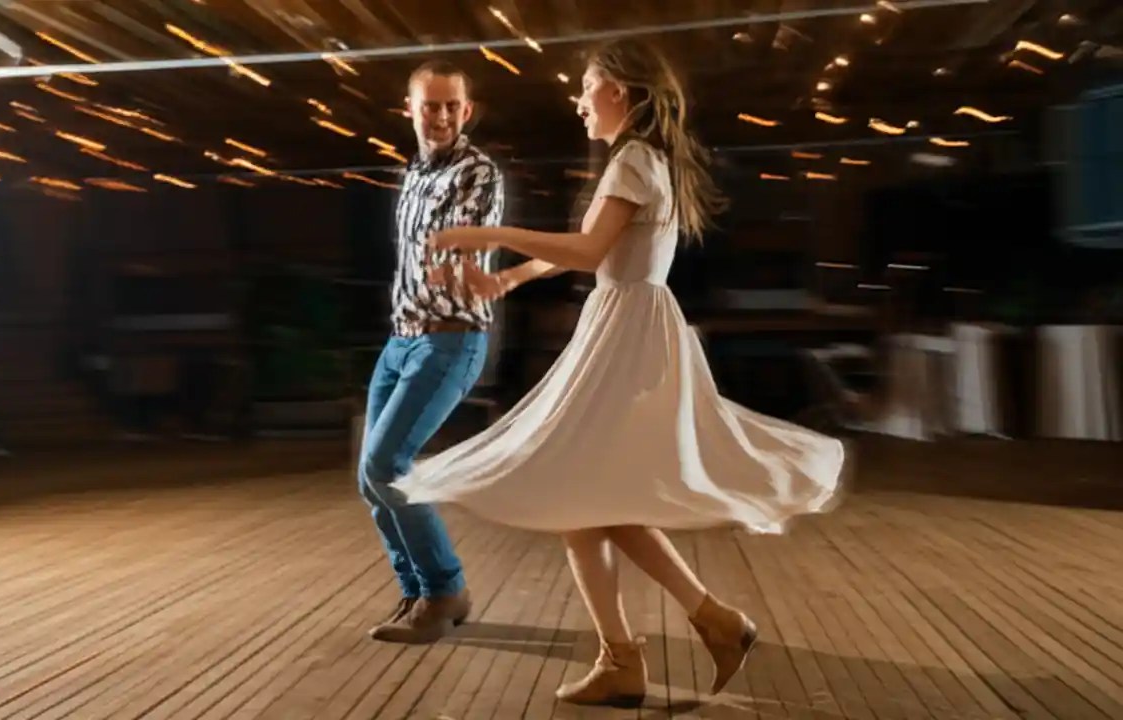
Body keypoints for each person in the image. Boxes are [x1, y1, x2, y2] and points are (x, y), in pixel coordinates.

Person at [392, 38, 846, 705]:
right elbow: (601, 244)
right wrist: (514, 277)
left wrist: (489, 237)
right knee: (587, 500)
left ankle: (667, 640)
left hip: (625, 332)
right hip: (628, 324)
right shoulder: (637, 160)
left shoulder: (634, 158)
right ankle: (674, 637)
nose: (578, 101)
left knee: (585, 495)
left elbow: (587, 249)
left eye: (587, 86)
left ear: (622, 95)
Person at [358, 59, 505, 645]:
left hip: (450, 337)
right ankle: (419, 590)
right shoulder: (413, 172)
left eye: (452, 106)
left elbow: (467, 233)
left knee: (384, 465)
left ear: (466, 111)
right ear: (410, 109)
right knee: (372, 480)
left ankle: (445, 589)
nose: (442, 116)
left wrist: (459, 266)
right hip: (400, 340)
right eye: (431, 106)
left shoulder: (479, 172)